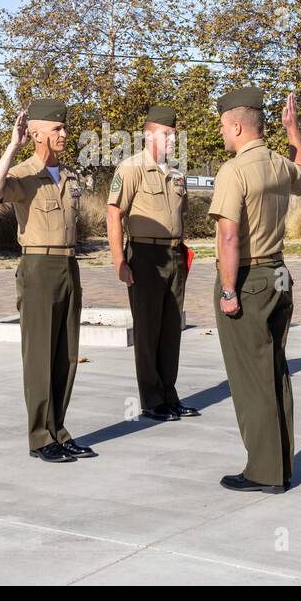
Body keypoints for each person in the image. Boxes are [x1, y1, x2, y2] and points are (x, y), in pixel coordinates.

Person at [0, 99, 96, 463]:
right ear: (35, 133)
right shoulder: (25, 174)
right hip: (37, 268)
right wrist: (12, 144)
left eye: (65, 128)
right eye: (56, 129)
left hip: (68, 267)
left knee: (66, 355)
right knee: (40, 356)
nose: (64, 134)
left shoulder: (71, 176)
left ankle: (59, 430)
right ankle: (39, 437)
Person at [207, 88, 301, 492]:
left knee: (251, 380)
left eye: (222, 125)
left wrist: (228, 290)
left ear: (236, 125)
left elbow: (228, 236)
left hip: (247, 278)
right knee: (275, 372)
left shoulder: (234, 171)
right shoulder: (279, 164)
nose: (221, 133)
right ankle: (280, 465)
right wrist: (294, 132)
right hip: (278, 274)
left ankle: (263, 472)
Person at [106, 105, 199, 422]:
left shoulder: (176, 173)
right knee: (148, 329)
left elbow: (179, 216)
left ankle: (168, 393)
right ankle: (151, 399)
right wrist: (120, 260)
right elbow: (114, 214)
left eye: (174, 135)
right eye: (166, 134)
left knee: (172, 327)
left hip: (174, 255)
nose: (173, 140)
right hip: (144, 256)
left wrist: (183, 251)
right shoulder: (130, 169)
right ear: (148, 135)